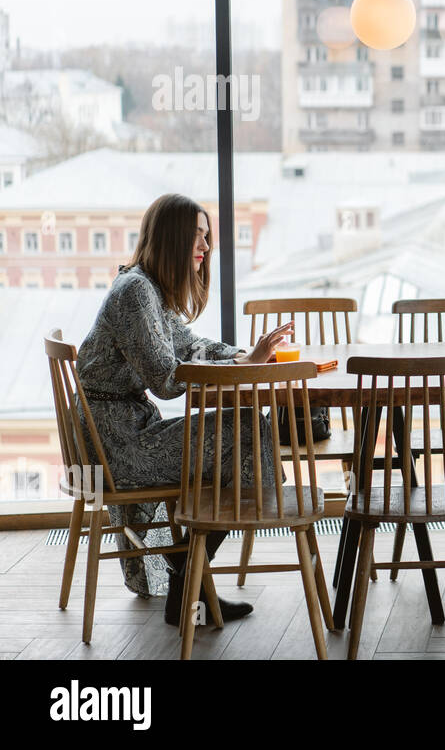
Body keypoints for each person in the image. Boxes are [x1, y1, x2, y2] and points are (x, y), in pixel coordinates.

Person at [76, 193, 293, 625]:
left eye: (207, 237)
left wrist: (243, 356)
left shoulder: (146, 287)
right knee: (247, 430)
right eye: (197, 236)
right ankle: (190, 581)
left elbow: (192, 345)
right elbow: (166, 377)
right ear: (171, 237)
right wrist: (244, 365)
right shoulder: (135, 291)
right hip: (117, 445)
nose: (206, 246)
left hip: (122, 432)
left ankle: (190, 583)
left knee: (238, 440)